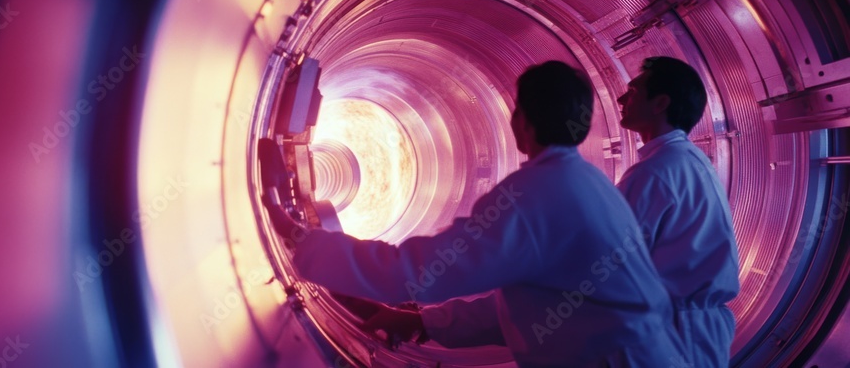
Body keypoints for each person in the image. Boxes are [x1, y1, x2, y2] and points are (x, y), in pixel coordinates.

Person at [261, 61, 689, 367]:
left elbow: (418, 271)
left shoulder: (538, 194)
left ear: (522, 122)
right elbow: (529, 308)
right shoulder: (590, 184)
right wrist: (423, 322)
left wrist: (301, 238)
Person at [615, 56, 740, 367]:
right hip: (694, 331)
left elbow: (611, 262)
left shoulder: (653, 172)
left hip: (672, 332)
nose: (621, 99)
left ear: (660, 103)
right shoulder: (689, 161)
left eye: (633, 92)